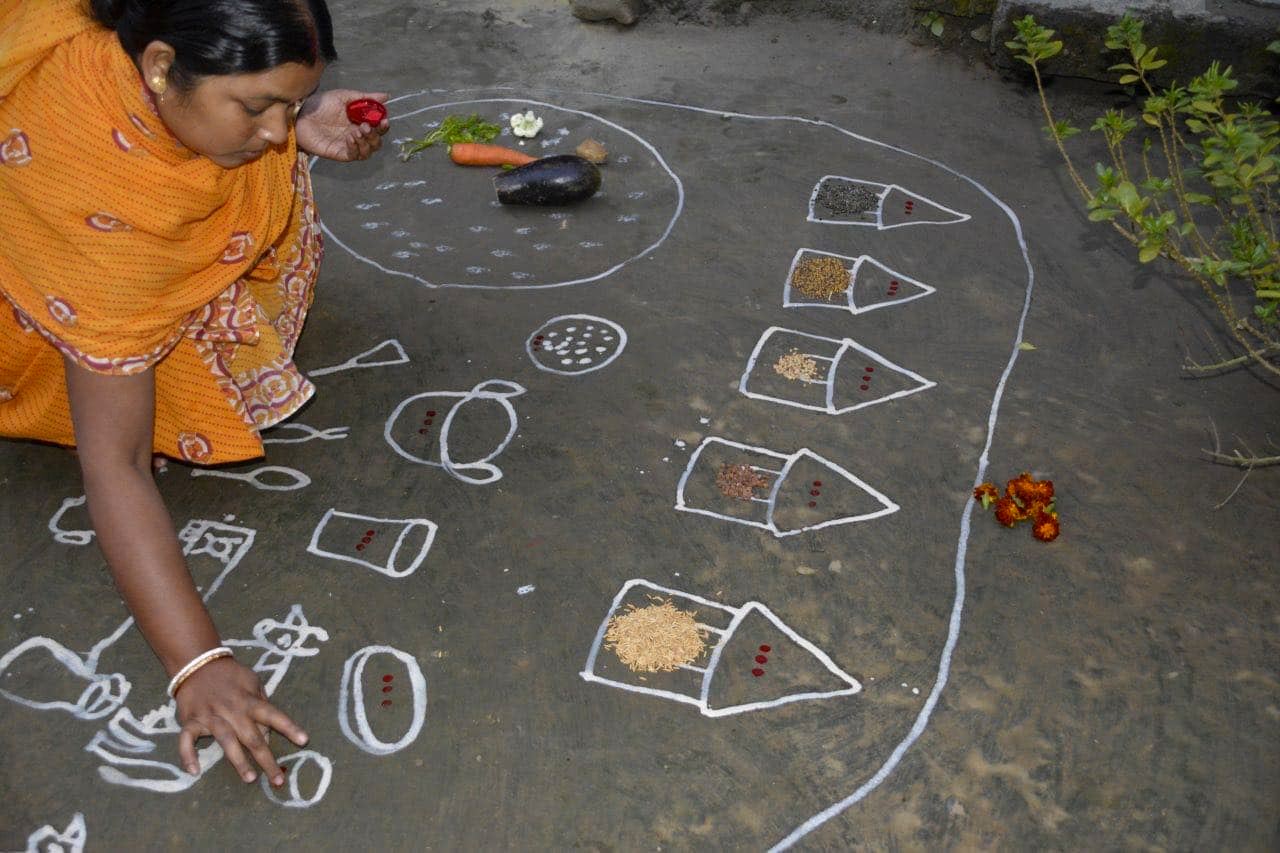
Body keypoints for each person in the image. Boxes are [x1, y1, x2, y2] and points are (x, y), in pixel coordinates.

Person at [0, 0, 388, 788]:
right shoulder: (97, 200)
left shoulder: (159, 42)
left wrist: (299, 110)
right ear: (158, 66)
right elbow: (116, 464)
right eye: (257, 107)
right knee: (113, 397)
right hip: (49, 257)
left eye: (289, 105)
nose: (277, 135)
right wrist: (197, 662)